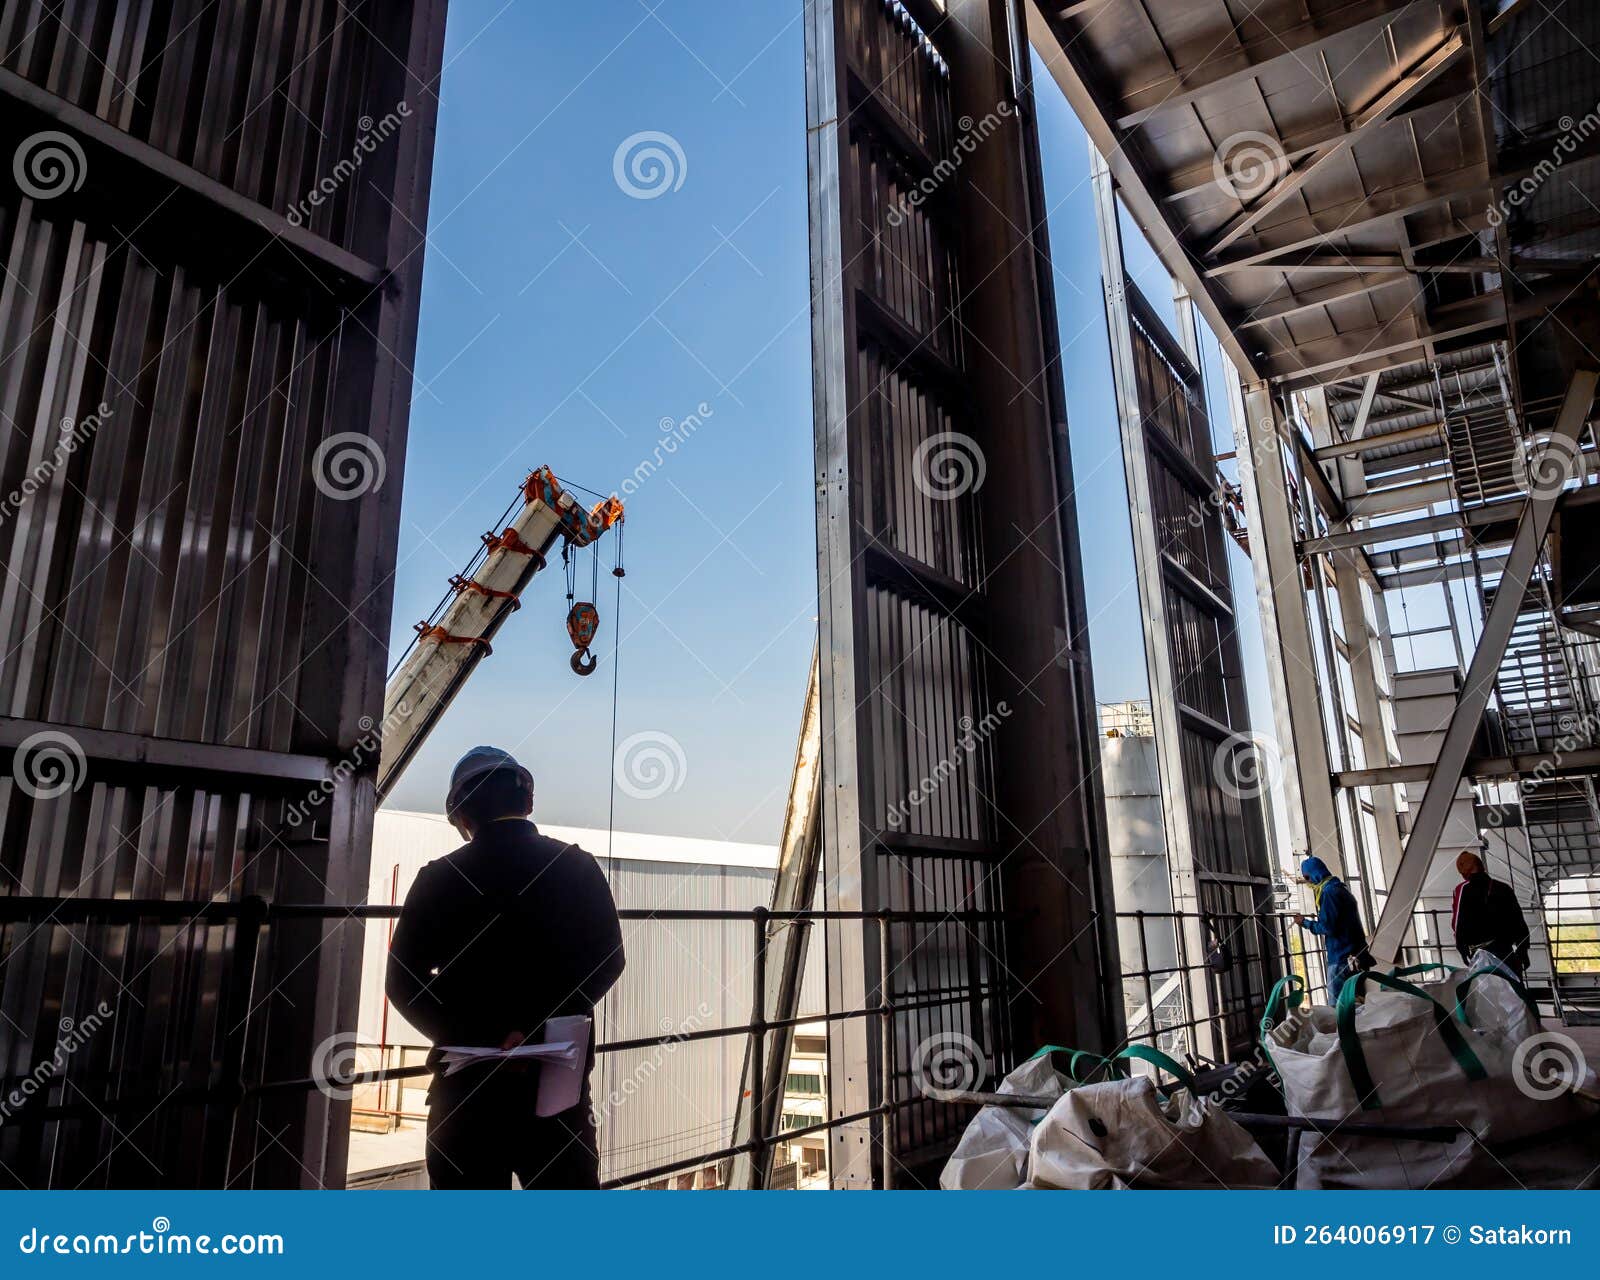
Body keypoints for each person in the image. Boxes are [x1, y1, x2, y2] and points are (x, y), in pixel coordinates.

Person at [386, 746, 625, 1189]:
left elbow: (402, 983)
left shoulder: (438, 878)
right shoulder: (576, 865)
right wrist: (535, 1029)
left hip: (466, 1088)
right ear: (528, 802)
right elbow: (609, 957)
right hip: (555, 1085)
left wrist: (475, 1036)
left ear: (460, 814)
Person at [1293, 856, 1373, 998]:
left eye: (1306, 878)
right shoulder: (1341, 889)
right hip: (1356, 956)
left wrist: (1304, 922)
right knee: (1357, 1003)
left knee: (1338, 1007)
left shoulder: (1329, 893)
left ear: (1310, 875)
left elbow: (1327, 927)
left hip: (1341, 959)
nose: (1307, 881)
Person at [1451, 850, 1531, 975]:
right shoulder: (1503, 888)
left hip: (1481, 955)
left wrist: (1461, 947)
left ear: (1464, 872)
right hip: (1505, 951)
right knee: (1513, 990)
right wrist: (1523, 950)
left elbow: (1458, 924)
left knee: (1487, 992)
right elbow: (1518, 922)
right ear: (1481, 866)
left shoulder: (1462, 890)